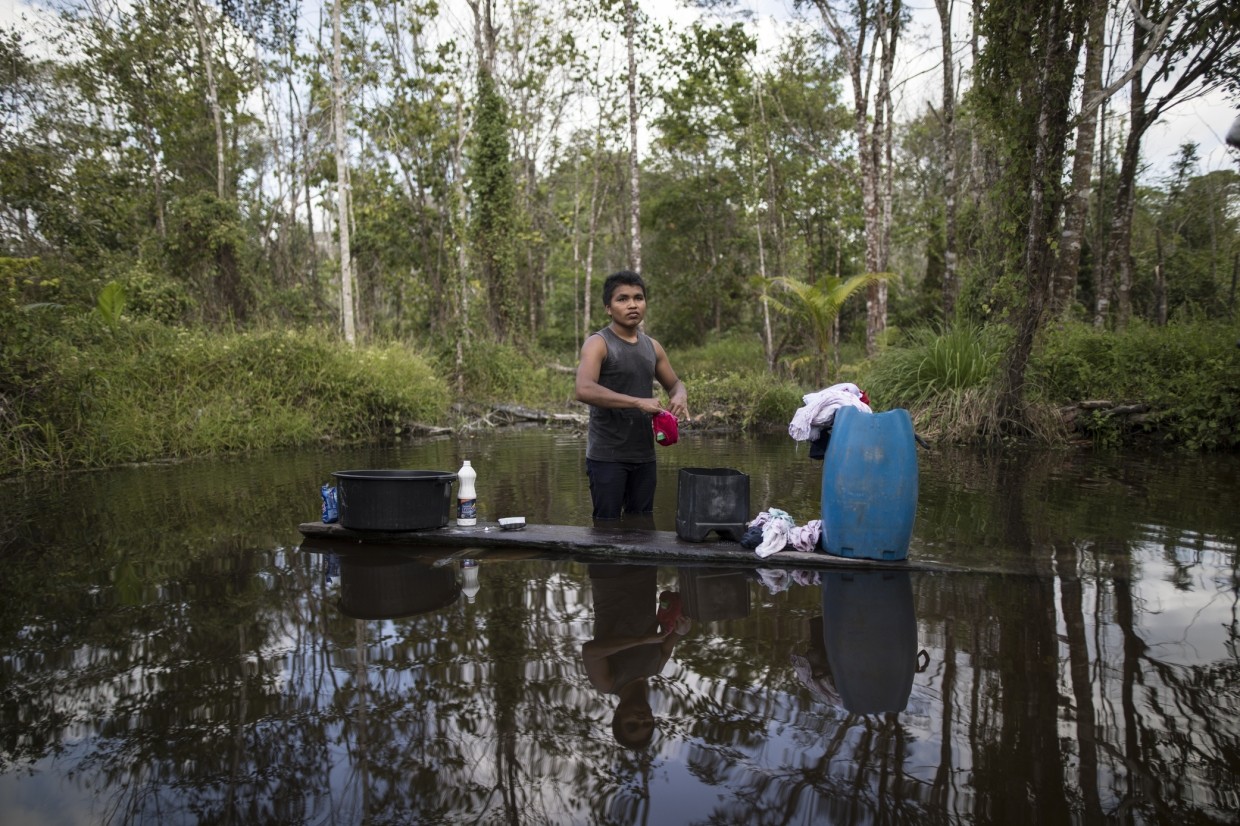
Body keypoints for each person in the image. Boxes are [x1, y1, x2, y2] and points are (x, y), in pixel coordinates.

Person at [575, 271, 688, 521]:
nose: (632, 304)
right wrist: (637, 401)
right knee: (606, 529)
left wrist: (680, 395)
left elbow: (675, 383)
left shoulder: (652, 346)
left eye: (638, 298)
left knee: (643, 526)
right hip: (607, 457)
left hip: (644, 457)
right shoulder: (599, 343)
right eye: (622, 299)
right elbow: (583, 389)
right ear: (608, 307)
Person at [581, 564, 692, 749]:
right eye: (647, 724)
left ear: (618, 714)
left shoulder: (608, 683)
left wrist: (641, 640)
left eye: (632, 725)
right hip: (645, 573)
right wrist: (681, 630)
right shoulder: (655, 668)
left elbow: (590, 652)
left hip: (609, 576)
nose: (641, 720)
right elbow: (673, 635)